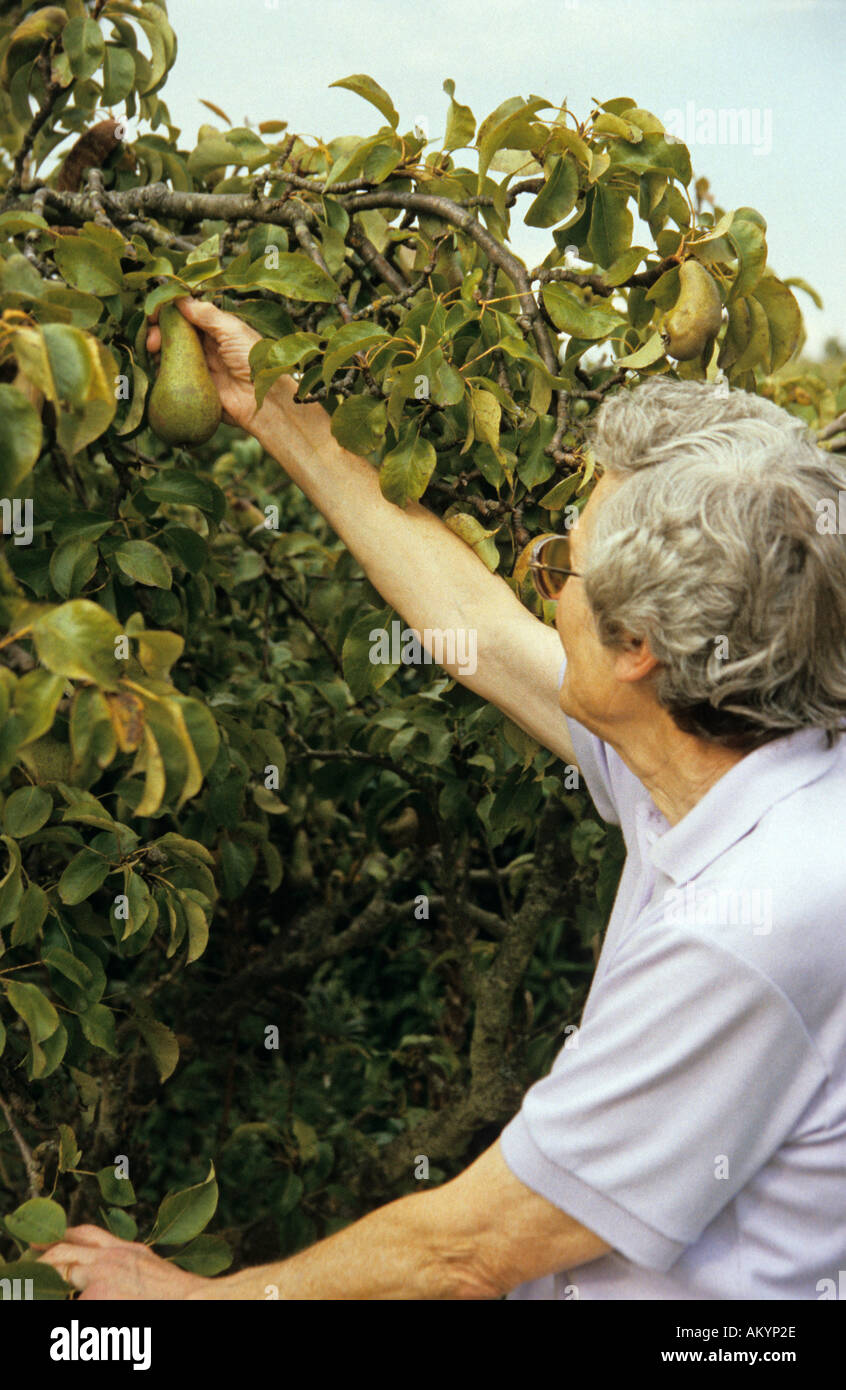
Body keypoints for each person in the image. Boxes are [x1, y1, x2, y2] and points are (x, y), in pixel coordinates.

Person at [39, 299, 846, 1300]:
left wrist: (194, 1303)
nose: (542, 580)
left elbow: (470, 1249)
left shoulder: (754, 923)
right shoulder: (718, 745)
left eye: (564, 563)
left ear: (639, 650)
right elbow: (477, 628)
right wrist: (282, 414)